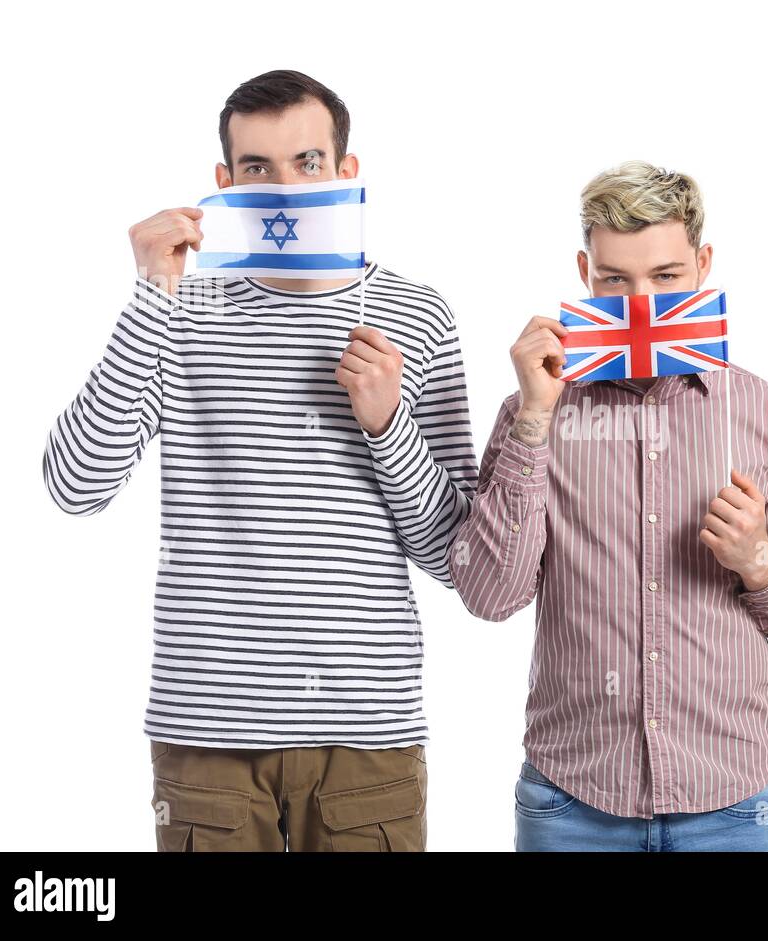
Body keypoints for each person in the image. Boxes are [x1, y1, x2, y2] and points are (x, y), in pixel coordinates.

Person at [42, 70, 478, 851]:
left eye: (308, 164)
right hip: (206, 732)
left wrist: (389, 426)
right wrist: (152, 297)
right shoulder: (181, 309)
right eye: (258, 170)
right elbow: (76, 483)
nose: (286, 190)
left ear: (348, 175)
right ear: (224, 184)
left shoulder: (419, 312)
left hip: (365, 731)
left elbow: (458, 557)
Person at [450, 160, 768, 851]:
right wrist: (535, 421)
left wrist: (760, 560)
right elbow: (489, 594)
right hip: (572, 802)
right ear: (585, 271)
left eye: (666, 277)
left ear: (703, 264)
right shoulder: (533, 411)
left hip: (734, 804)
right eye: (616, 280)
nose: (642, 303)